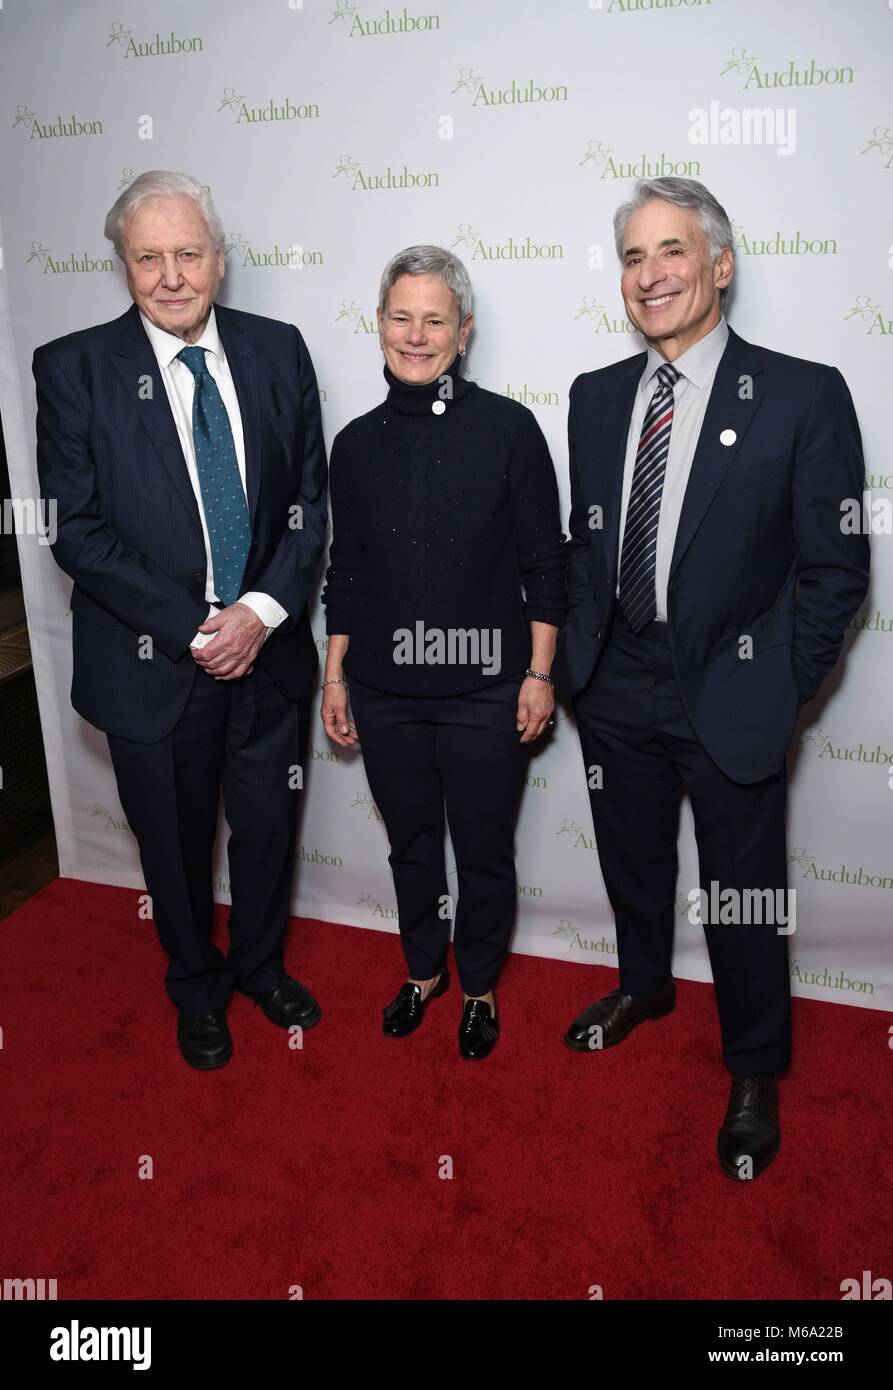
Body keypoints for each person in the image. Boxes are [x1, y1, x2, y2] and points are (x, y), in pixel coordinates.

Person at [555, 177, 869, 1178]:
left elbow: (835, 569)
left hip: (730, 691)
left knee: (740, 893)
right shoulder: (596, 396)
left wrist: (776, 684)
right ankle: (642, 985)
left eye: (671, 252)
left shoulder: (801, 391)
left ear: (719, 266)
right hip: (613, 684)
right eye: (633, 257)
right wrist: (574, 662)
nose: (650, 276)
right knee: (633, 864)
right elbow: (585, 544)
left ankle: (752, 1065)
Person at [33, 170, 328, 1070]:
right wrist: (204, 625)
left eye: (187, 254)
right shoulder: (73, 367)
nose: (171, 276)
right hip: (153, 661)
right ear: (122, 265)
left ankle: (260, 966)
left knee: (269, 829)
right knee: (173, 839)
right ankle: (194, 986)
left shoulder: (279, 350)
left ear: (220, 260)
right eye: (148, 258)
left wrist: (262, 612)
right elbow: (73, 532)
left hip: (268, 652)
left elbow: (308, 502)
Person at [321, 245, 566, 1059]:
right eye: (401, 317)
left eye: (434, 320)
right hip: (384, 691)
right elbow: (345, 571)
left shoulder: (509, 429)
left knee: (485, 849)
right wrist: (334, 676)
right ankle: (423, 971)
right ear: (379, 325)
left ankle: (481, 985)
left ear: (463, 332)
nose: (415, 335)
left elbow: (543, 562)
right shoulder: (352, 444)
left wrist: (537, 674)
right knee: (411, 844)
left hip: (485, 692)